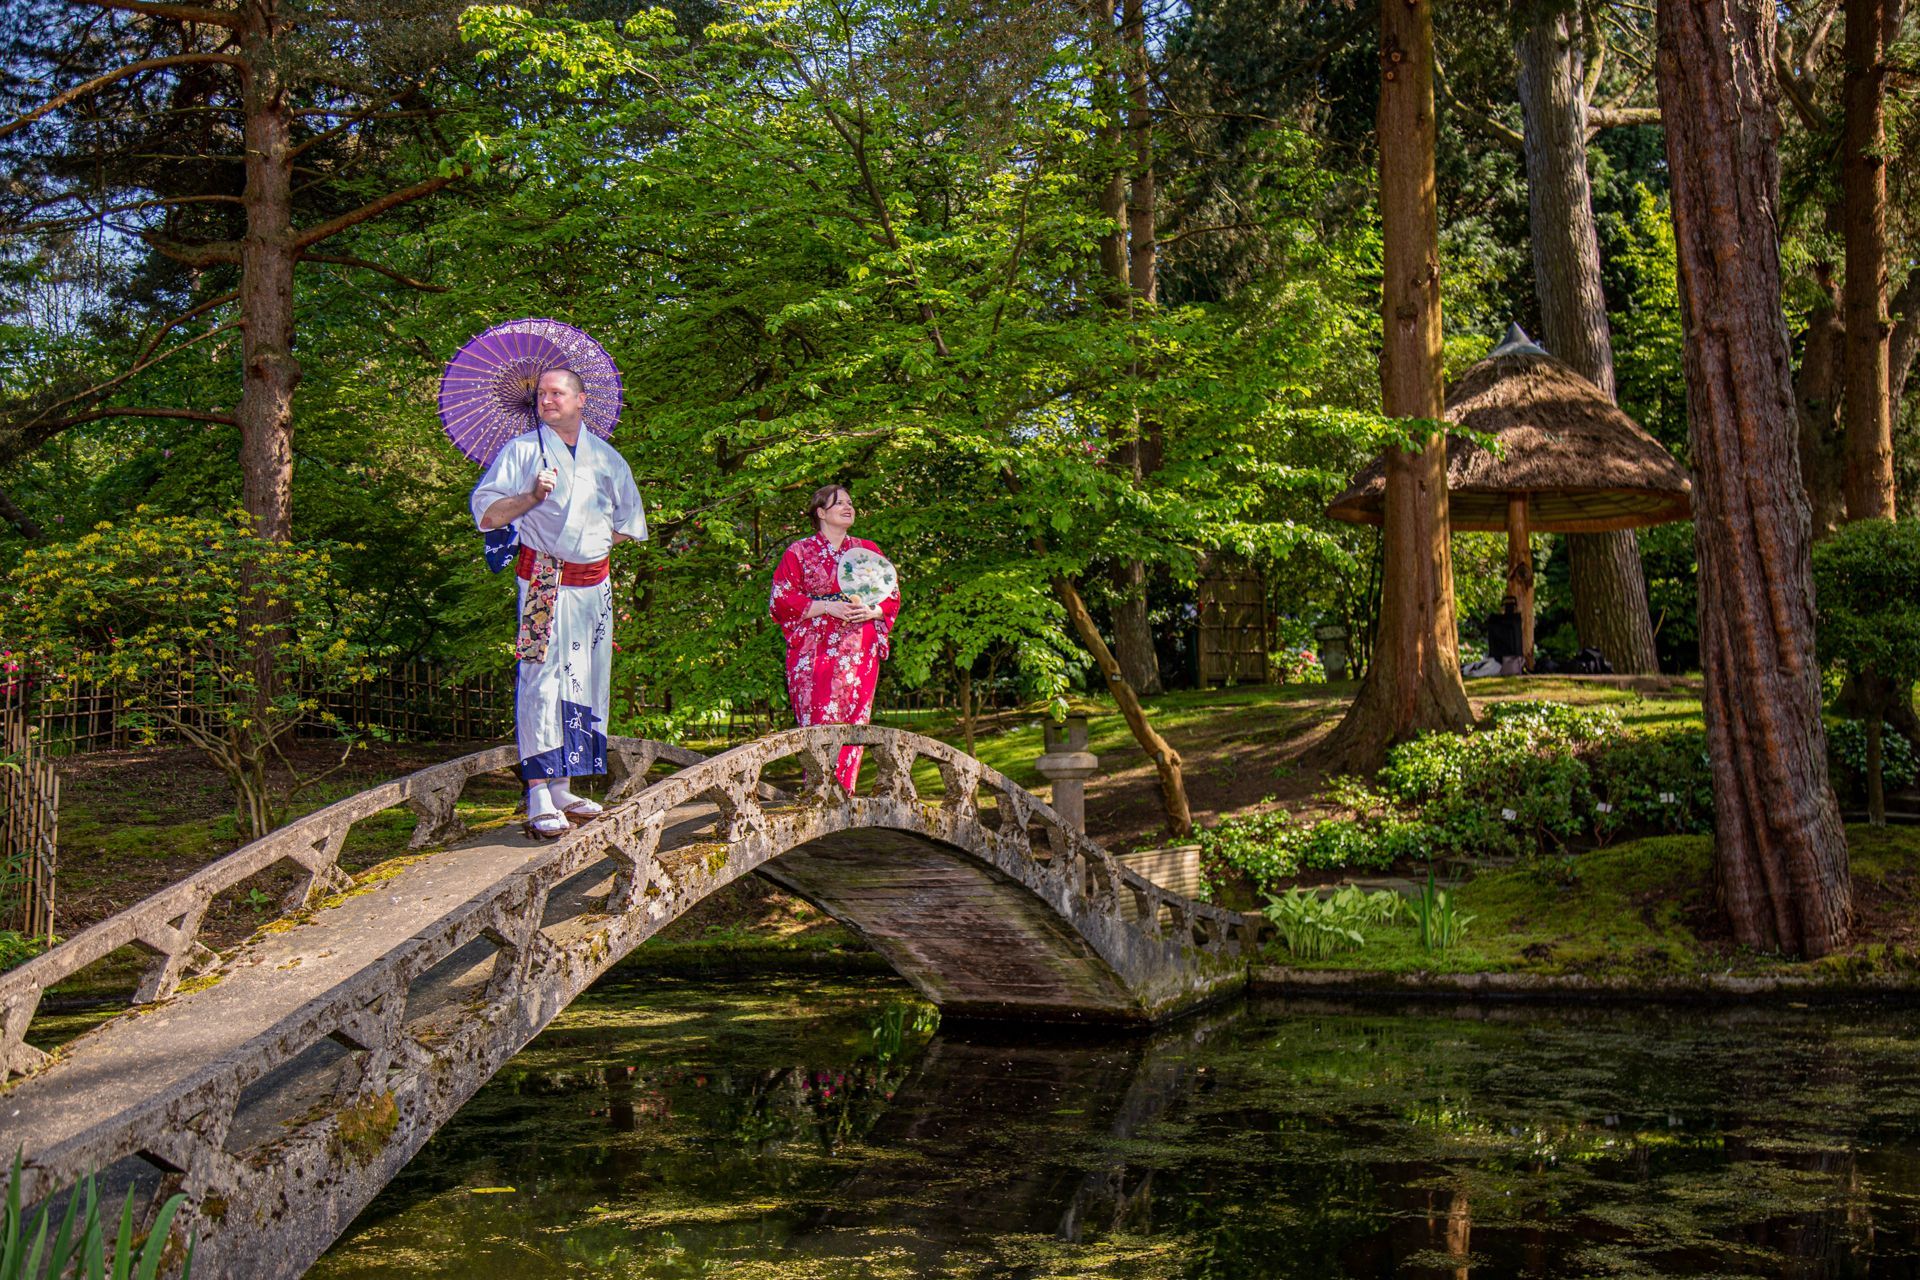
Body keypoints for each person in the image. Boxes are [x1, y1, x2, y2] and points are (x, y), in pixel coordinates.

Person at [472, 368, 647, 839]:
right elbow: (487, 514)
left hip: (595, 585)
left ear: (581, 399)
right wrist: (531, 496)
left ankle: (564, 786)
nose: (546, 400)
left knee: (587, 680)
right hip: (545, 581)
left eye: (557, 393)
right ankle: (537, 792)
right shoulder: (522, 452)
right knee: (541, 681)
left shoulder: (607, 458)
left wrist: (591, 547)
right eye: (542, 394)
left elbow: (628, 520)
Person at [768, 486, 902, 792]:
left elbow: (891, 595)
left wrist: (873, 611)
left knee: (855, 720)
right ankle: (819, 791)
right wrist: (827, 606)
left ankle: (845, 793)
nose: (848, 507)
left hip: (858, 647)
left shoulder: (867, 549)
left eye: (850, 503)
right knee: (819, 717)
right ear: (821, 512)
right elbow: (781, 599)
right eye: (839, 503)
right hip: (815, 647)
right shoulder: (799, 552)